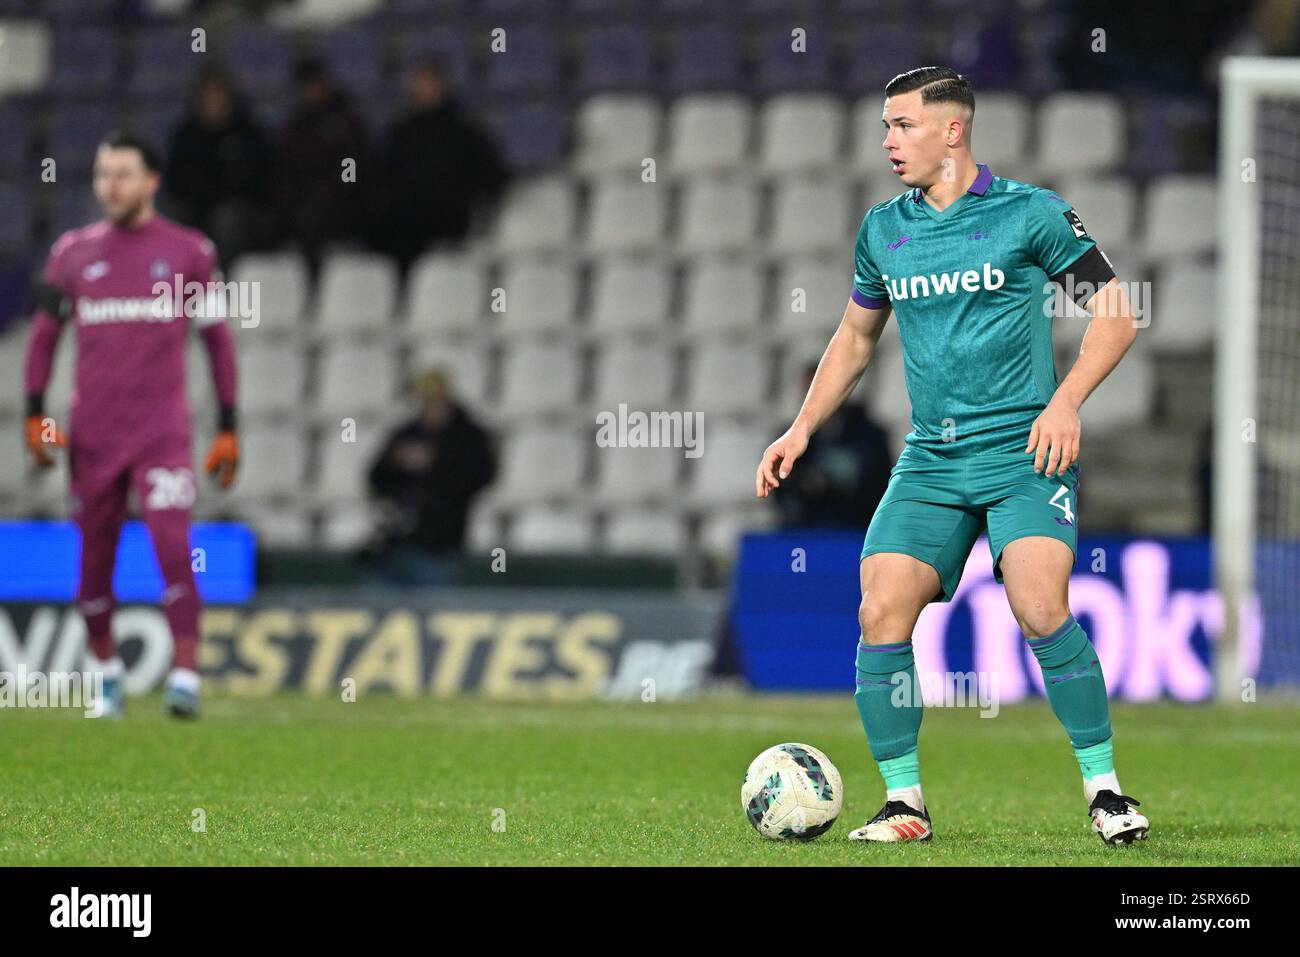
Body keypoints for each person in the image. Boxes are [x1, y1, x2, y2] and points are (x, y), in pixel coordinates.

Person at [755, 67, 1147, 846]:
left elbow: (1116, 310)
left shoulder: (1028, 213)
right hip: (933, 458)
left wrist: (1065, 401)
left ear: (953, 130)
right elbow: (856, 337)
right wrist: (800, 427)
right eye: (885, 127)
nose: (888, 141)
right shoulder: (884, 229)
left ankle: (1105, 790)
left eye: (902, 125)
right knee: (878, 609)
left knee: (1039, 604)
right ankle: (905, 804)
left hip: (1022, 449)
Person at [23, 132, 240, 719]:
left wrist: (228, 424)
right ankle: (105, 672)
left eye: (122, 174)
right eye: (102, 175)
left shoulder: (191, 252)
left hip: (162, 433)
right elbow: (44, 340)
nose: (109, 186)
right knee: (93, 562)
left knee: (173, 544)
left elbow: (217, 341)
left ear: (152, 181)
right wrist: (35, 416)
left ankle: (186, 677)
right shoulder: (71, 252)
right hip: (92, 436)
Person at [376, 58, 509, 271]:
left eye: (428, 83)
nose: (422, 89)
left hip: (447, 215)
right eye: (419, 83)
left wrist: (464, 195)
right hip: (404, 213)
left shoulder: (464, 132)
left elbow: (493, 176)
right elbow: (383, 173)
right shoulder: (402, 132)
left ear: (442, 86)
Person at [365, 369, 496, 584]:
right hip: (395, 547)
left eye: (435, 399)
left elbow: (480, 476)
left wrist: (435, 462)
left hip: (441, 550)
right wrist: (396, 463)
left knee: (434, 609)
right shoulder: (407, 432)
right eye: (425, 400)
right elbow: (375, 478)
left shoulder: (469, 436)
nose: (430, 406)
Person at [164, 65, 275, 264]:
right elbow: (176, 180)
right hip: (196, 205)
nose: (214, 103)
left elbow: (258, 180)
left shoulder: (247, 133)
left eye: (219, 96)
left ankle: (223, 280)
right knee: (171, 218)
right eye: (208, 97)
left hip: (238, 208)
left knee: (227, 220)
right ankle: (175, 282)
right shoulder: (186, 135)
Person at [272, 57, 369, 272]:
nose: (310, 91)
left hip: (341, 204)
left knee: (311, 221)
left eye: (314, 84)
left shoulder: (346, 123)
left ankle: (314, 283)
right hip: (301, 203)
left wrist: (332, 195)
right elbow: (286, 172)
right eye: (305, 86)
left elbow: (352, 170)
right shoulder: (295, 126)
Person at [776, 361, 893, 529]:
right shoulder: (790, 439)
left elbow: (880, 487)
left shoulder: (869, 435)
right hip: (806, 530)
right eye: (809, 394)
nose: (814, 401)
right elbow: (782, 490)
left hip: (858, 531)